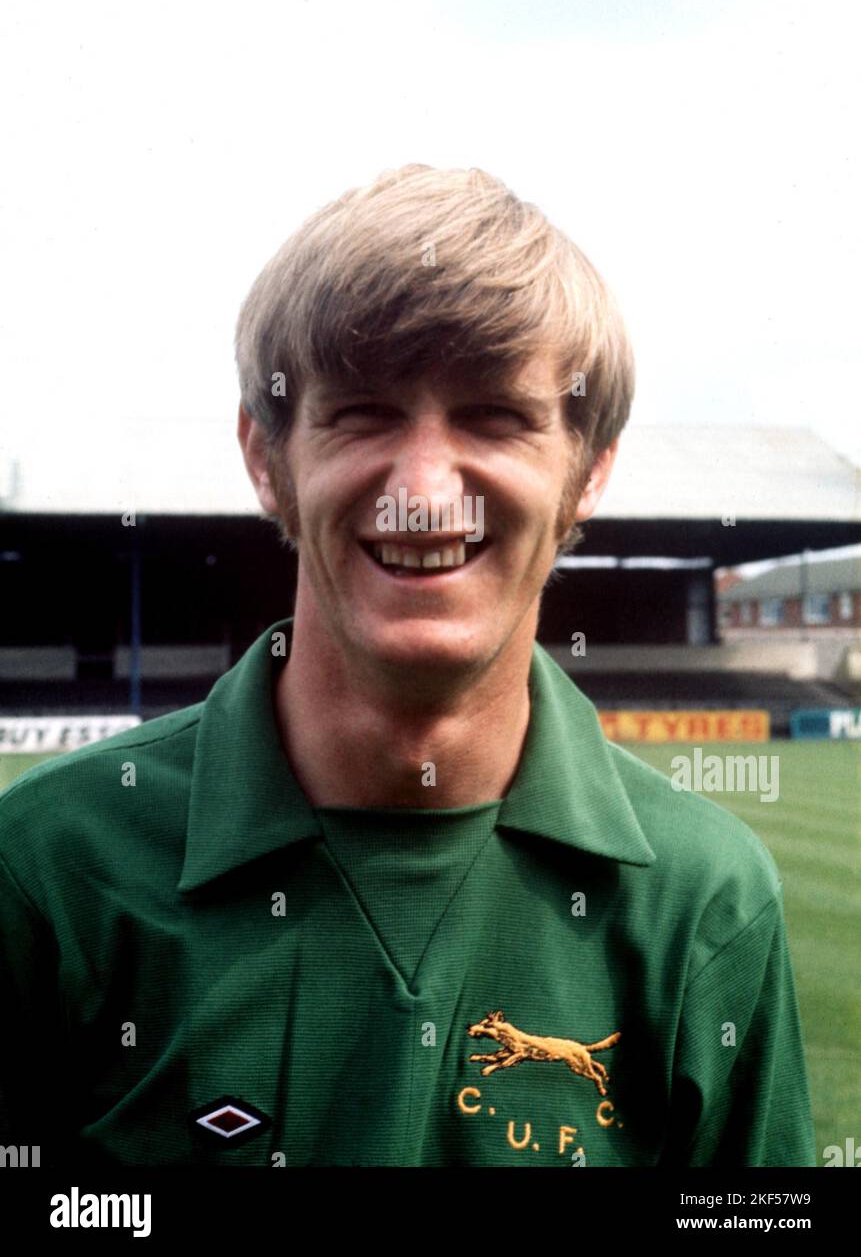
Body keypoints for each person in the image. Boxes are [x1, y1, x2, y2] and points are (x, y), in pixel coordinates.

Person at [0, 164, 815, 1167]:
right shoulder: (44, 867)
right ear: (267, 456)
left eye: (496, 416)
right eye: (362, 412)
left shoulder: (709, 900)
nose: (424, 492)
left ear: (589, 468)